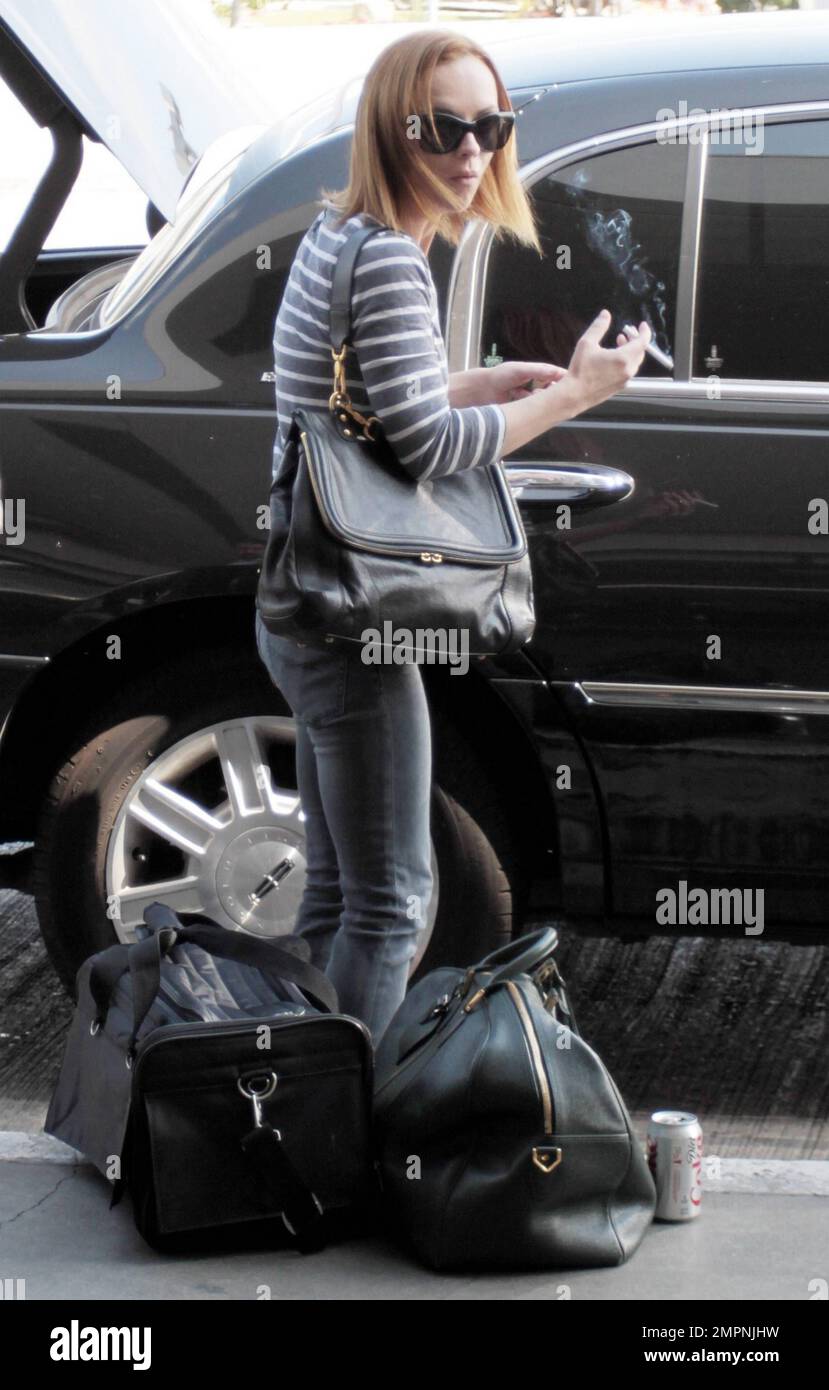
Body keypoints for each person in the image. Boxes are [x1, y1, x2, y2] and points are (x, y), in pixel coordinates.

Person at [255, 28, 650, 1046]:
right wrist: (569, 396)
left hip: (304, 601)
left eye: (490, 125)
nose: (470, 150)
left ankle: (294, 1114)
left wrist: (484, 382)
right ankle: (339, 1130)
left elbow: (367, 410)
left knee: (340, 895)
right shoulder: (388, 258)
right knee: (391, 903)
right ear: (394, 129)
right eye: (442, 128)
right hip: (353, 627)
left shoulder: (338, 236)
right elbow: (426, 448)